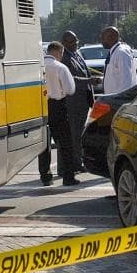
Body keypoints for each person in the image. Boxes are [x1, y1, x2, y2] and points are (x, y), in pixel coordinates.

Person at [60, 30, 97, 181]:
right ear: (64, 43)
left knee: (79, 133)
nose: (75, 44)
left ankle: (76, 161)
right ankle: (74, 163)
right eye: (71, 42)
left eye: (76, 41)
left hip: (82, 101)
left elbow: (84, 72)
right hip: (73, 102)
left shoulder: (77, 54)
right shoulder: (64, 57)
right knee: (74, 134)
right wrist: (89, 81)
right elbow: (71, 79)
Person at [43, 41, 79, 186]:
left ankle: (45, 176)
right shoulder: (60, 67)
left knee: (44, 144)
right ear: (57, 51)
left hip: (41, 106)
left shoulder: (38, 66)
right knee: (65, 143)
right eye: (62, 53)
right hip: (58, 106)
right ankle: (68, 177)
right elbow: (70, 89)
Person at [100, 26, 137, 95]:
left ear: (113, 37)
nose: (102, 41)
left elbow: (126, 80)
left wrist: (120, 100)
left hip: (119, 100)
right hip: (112, 98)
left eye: (103, 38)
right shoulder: (115, 51)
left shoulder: (121, 52)